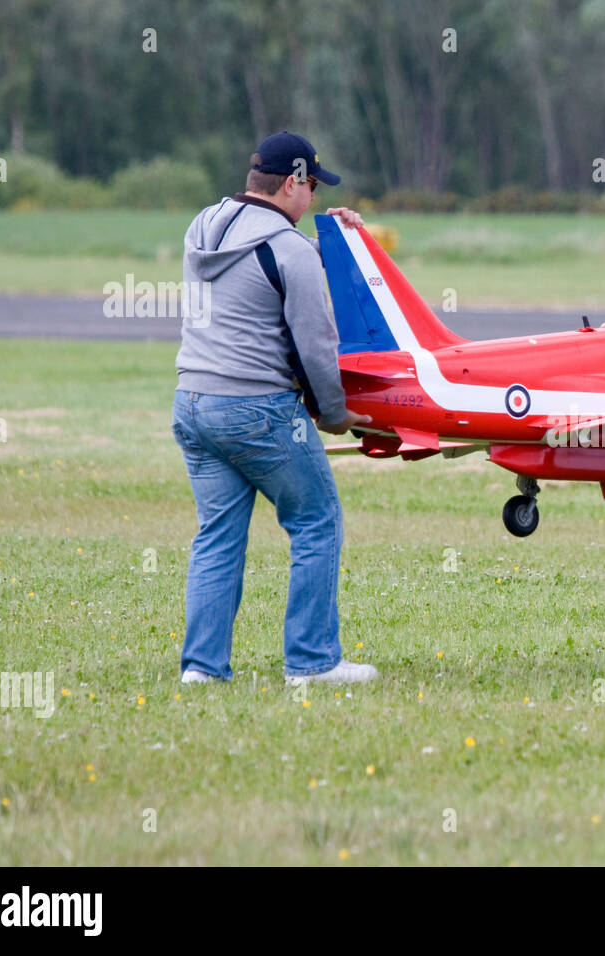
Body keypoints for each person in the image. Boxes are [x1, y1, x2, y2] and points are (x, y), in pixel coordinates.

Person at [172, 131, 376, 686]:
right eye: (310, 185)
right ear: (291, 181)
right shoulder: (287, 249)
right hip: (256, 408)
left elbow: (256, 266)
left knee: (217, 534)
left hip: (192, 401)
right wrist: (335, 415)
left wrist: (329, 242)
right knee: (316, 520)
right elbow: (316, 346)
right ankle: (313, 664)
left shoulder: (202, 227)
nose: (311, 196)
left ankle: (202, 670)